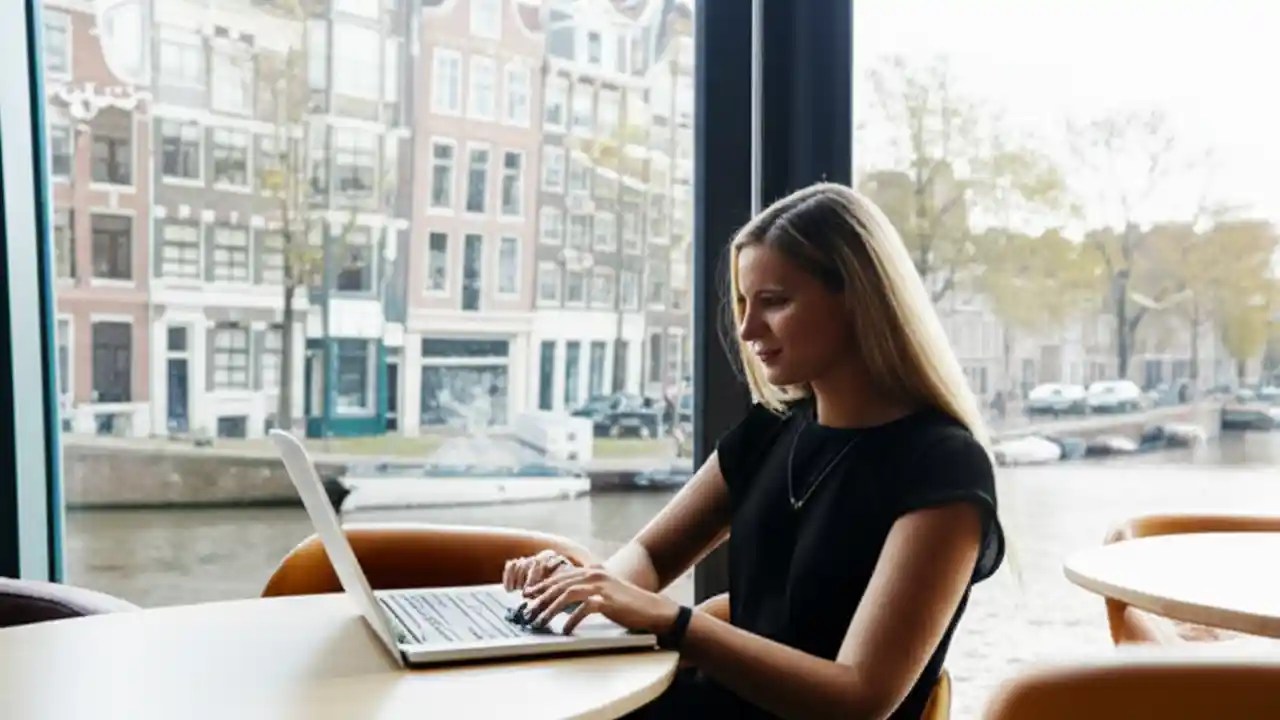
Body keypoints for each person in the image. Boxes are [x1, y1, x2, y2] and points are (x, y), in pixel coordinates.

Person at [502, 183, 1006, 720]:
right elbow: (649, 557)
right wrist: (581, 591)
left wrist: (672, 623)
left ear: (858, 299)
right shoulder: (769, 430)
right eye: (744, 303)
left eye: (774, 302)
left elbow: (859, 699)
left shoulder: (942, 467)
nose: (746, 329)